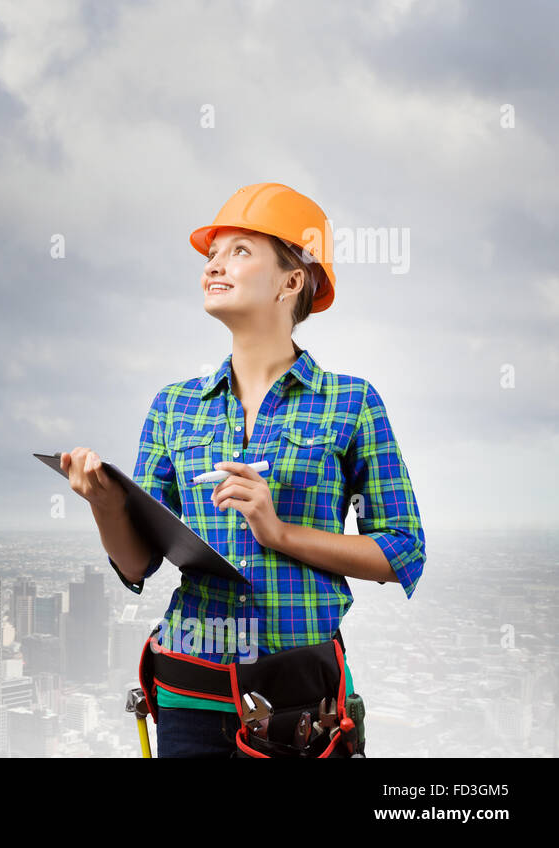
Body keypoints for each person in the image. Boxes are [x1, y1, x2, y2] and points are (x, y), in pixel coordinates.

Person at [62, 183, 426, 757]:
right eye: (212, 254)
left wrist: (278, 533)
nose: (214, 265)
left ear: (291, 279)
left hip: (300, 702)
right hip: (190, 685)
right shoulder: (174, 405)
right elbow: (139, 562)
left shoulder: (351, 403)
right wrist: (105, 505)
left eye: (239, 251)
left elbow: (402, 550)